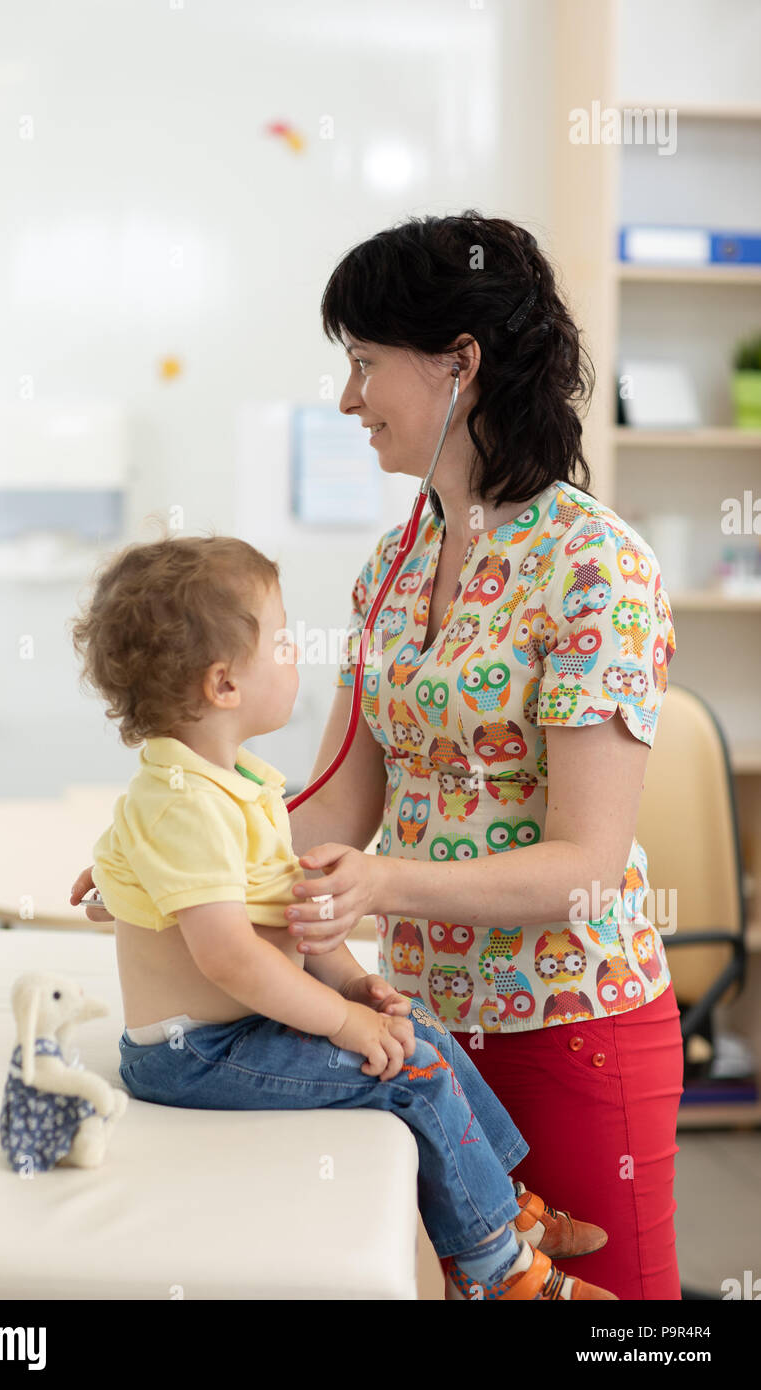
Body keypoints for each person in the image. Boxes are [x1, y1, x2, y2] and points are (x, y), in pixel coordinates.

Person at [274, 211, 684, 1299]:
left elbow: (582, 864)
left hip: (571, 1028)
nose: (347, 398)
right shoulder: (394, 560)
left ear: (460, 362)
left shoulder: (596, 567)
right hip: (426, 1029)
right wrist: (178, 854)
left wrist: (382, 882)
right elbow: (328, 808)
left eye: (364, 363)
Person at [68, 531, 620, 1300]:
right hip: (193, 1052)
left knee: (414, 1027)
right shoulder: (186, 804)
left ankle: (508, 1207)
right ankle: (500, 1273)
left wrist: (357, 989)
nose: (299, 655)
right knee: (411, 1074)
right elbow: (231, 956)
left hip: (237, 1031)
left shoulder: (235, 785)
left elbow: (290, 914)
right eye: (285, 642)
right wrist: (338, 1022)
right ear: (225, 684)